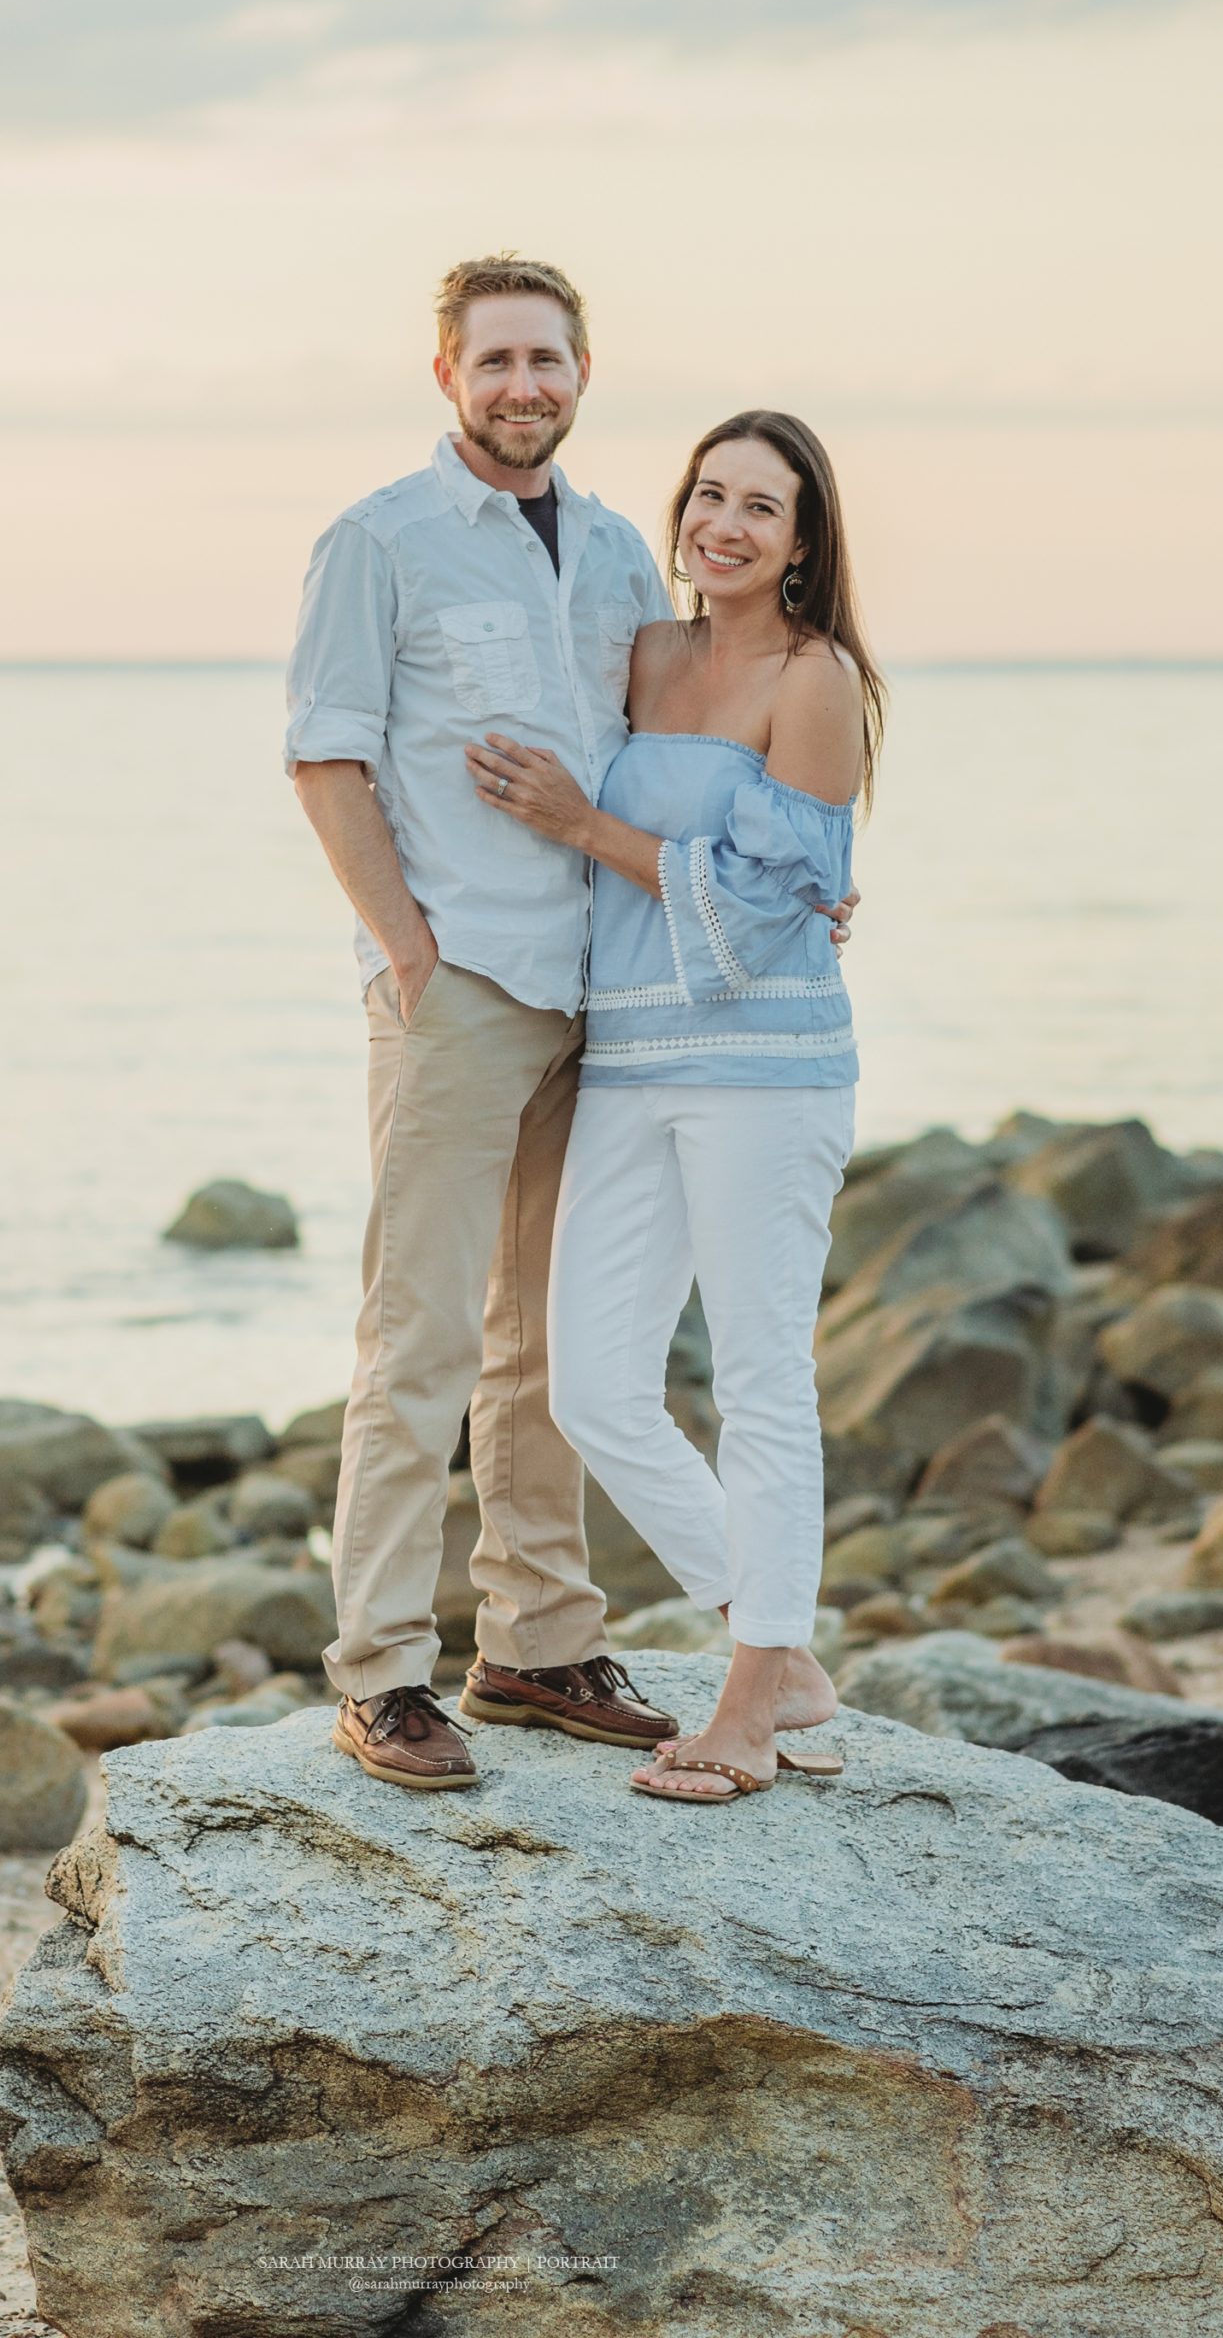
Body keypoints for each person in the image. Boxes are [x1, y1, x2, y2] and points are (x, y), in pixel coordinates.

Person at [285, 258, 860, 1792]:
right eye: (495, 359)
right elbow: (325, 757)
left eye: (547, 356)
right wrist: (403, 948)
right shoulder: (379, 542)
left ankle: (535, 1641)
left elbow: (696, 767)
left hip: (602, 998)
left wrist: (796, 882)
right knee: (418, 1335)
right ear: (448, 377)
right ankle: (380, 1670)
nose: (522, 382)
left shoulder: (616, 554)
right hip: (462, 981)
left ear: (583, 370)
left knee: (547, 1349)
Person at [464, 410, 884, 1805]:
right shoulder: (647, 651)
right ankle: (776, 1639)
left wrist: (587, 826)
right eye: (709, 494)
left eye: (761, 508)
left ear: (803, 542)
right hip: (630, 1060)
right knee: (592, 1384)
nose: (725, 524)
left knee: (763, 1375)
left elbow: (774, 902)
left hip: (763, 1069)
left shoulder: (813, 679)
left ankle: (752, 1698)